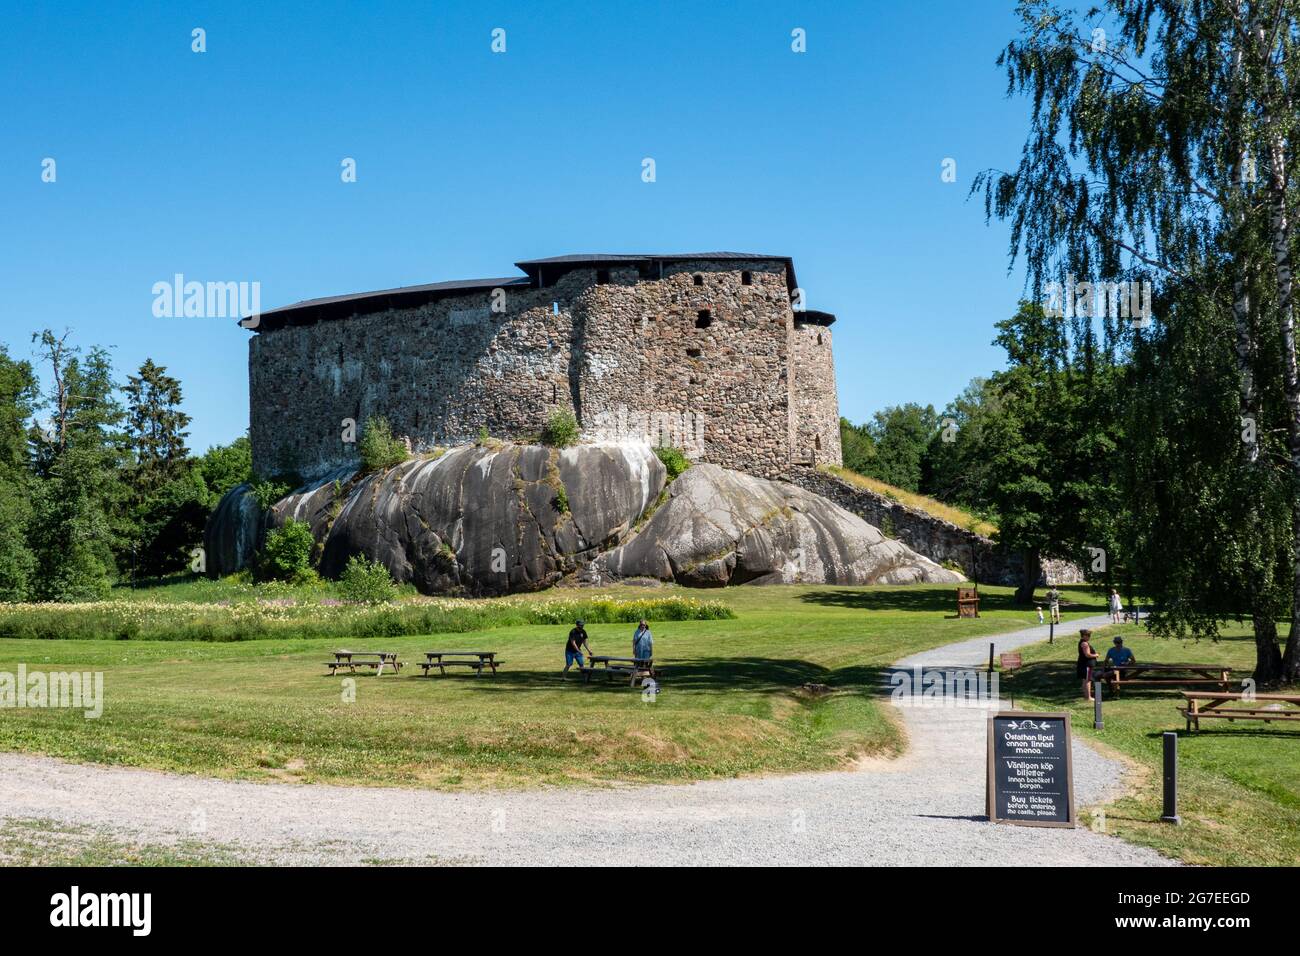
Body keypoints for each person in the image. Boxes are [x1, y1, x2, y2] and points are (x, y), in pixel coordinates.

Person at [1077, 628, 1100, 701]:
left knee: (1085, 680)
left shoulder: (1084, 642)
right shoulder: (1084, 643)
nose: (1089, 637)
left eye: (1089, 635)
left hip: (1085, 664)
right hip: (1086, 664)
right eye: (1088, 635)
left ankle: (1086, 696)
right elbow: (1087, 655)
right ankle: (1088, 697)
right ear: (1083, 636)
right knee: (1088, 680)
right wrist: (1096, 655)